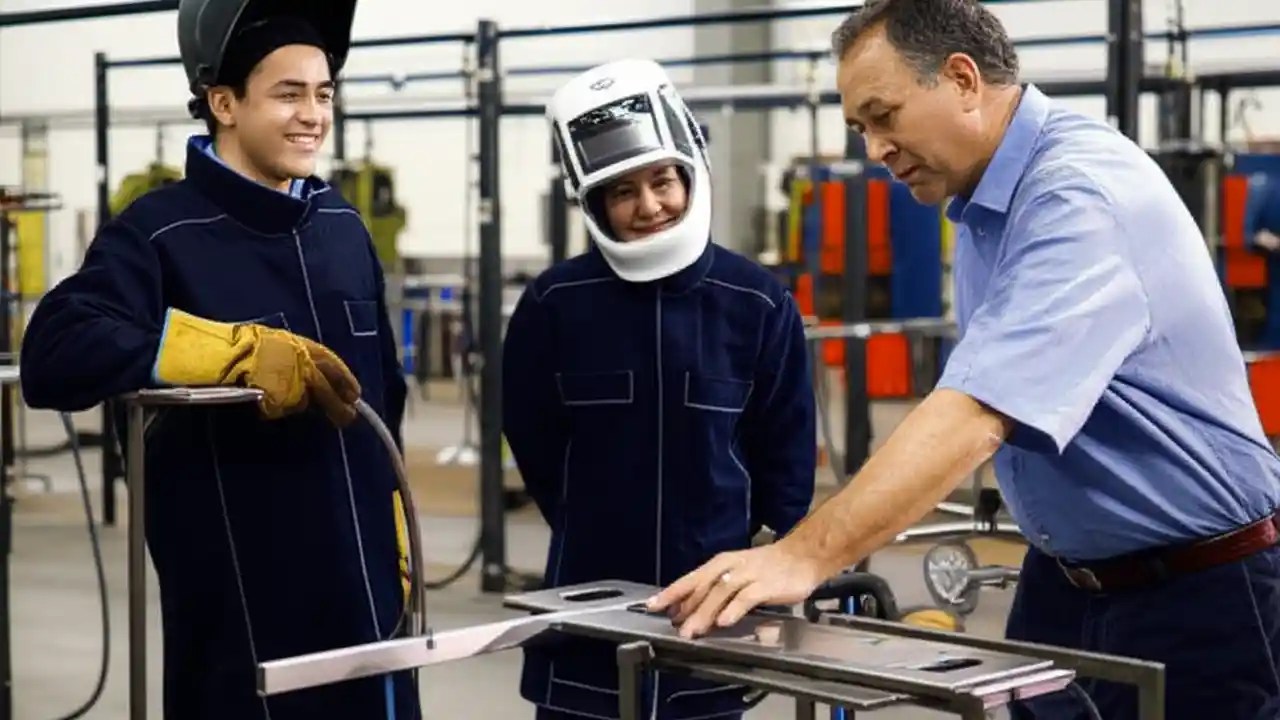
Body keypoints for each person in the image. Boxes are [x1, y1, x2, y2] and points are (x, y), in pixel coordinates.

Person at [646, 1, 1280, 719]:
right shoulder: (981, 206)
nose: (874, 148)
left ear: (962, 79)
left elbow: (977, 410)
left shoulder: (1078, 196)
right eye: (860, 127)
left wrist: (805, 553)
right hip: (1065, 585)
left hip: (1197, 592)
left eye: (884, 115)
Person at [18, 1, 419, 718]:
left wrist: (394, 514)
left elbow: (385, 389)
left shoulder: (340, 226)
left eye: (324, 93)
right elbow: (54, 351)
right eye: (289, 94)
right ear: (223, 102)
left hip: (370, 605)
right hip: (243, 614)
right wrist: (218, 352)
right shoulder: (160, 233)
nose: (314, 115)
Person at [502, 58, 817, 720]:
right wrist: (591, 525)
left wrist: (767, 559)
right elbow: (533, 437)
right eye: (622, 192)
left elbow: (785, 451)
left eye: (662, 181)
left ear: (689, 174)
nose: (649, 207)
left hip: (711, 603)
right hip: (585, 601)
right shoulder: (554, 304)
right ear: (593, 202)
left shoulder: (756, 302)